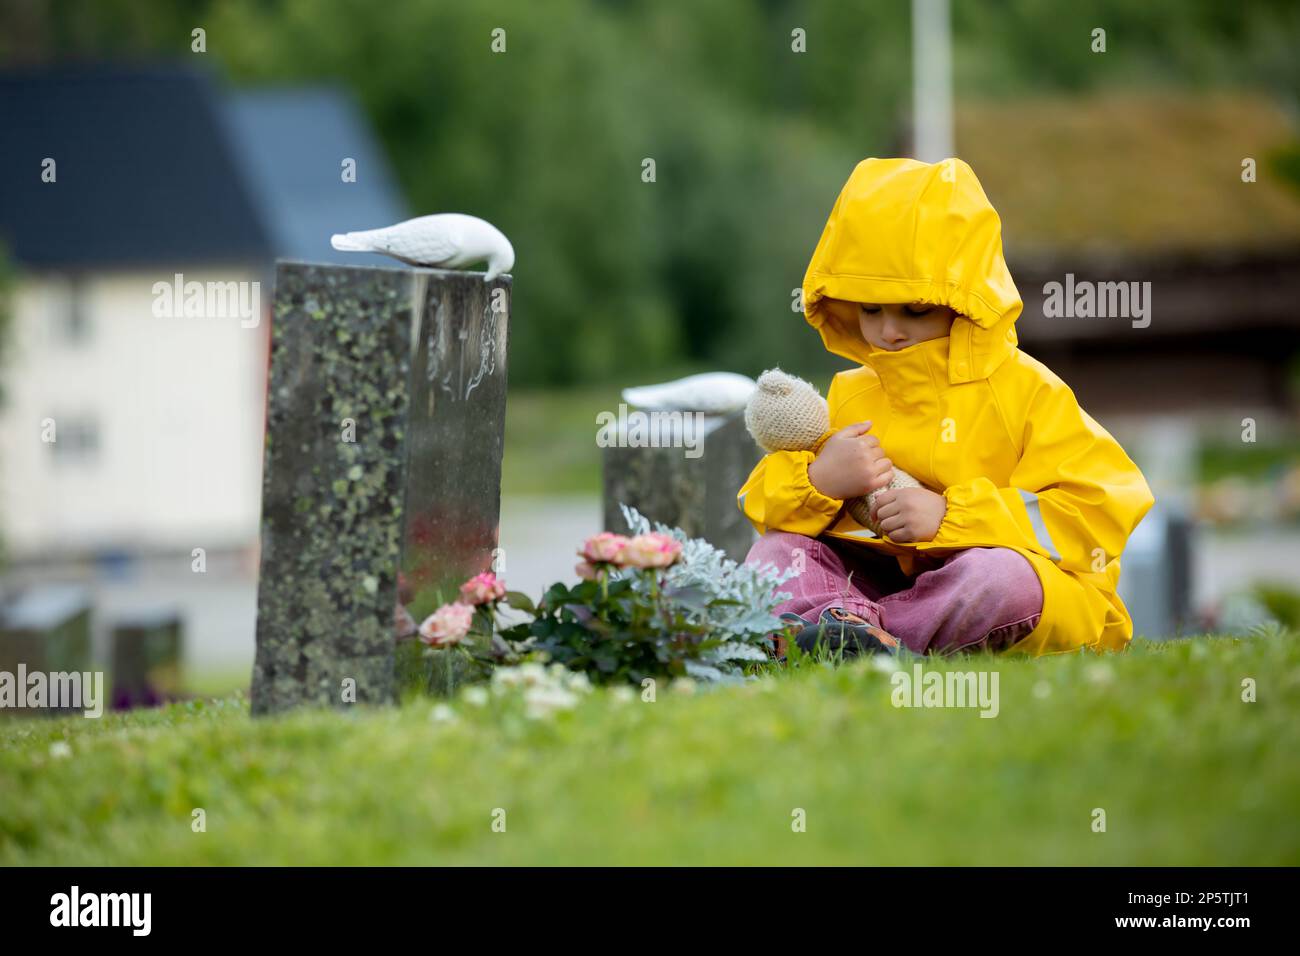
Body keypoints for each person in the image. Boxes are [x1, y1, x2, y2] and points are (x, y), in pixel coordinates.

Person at [738, 157, 1154, 659]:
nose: (888, 331)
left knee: (1001, 579)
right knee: (775, 554)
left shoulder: (1028, 391)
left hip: (1005, 581)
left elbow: (1100, 507)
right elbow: (763, 507)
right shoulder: (849, 393)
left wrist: (950, 517)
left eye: (914, 310)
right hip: (882, 582)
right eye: (870, 309)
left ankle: (856, 643)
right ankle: (851, 634)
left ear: (965, 302)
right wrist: (820, 484)